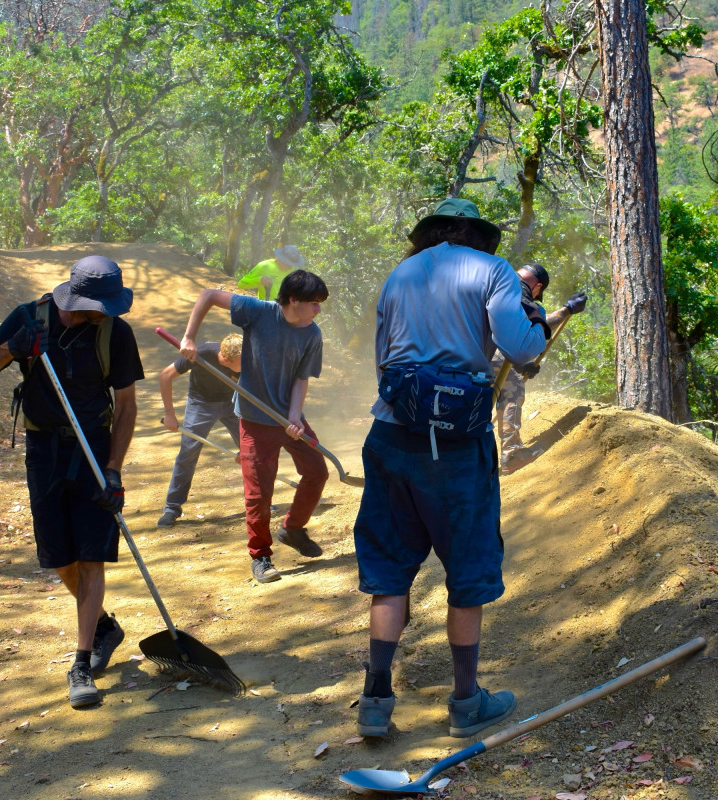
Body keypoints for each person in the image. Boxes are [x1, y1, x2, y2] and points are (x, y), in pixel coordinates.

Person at [353, 198, 549, 739]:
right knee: (466, 571)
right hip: (459, 448)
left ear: (430, 234)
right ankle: (466, 703)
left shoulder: (400, 274)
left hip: (392, 434)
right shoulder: (493, 272)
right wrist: (536, 323)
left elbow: (382, 359)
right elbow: (521, 348)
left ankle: (375, 699)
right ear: (480, 237)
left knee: (390, 571)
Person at [0, 255, 143, 709]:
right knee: (60, 559)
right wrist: (12, 349)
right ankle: (103, 625)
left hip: (94, 451)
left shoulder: (115, 333)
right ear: (76, 299)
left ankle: (81, 663)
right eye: (99, 306)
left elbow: (126, 407)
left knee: (90, 557)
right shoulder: (28, 319)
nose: (106, 314)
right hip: (44, 451)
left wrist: (115, 470)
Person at [178, 269, 330, 584]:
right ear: (293, 300)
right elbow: (207, 295)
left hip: (289, 417)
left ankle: (293, 529)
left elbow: (301, 379)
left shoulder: (312, 334)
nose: (318, 310)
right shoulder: (259, 312)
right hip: (254, 418)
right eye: (313, 303)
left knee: (317, 470)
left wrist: (294, 416)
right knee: (259, 492)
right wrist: (189, 337)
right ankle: (260, 556)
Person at [492, 263, 587, 474]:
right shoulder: (518, 288)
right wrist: (568, 309)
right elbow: (538, 322)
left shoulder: (500, 279)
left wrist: (519, 364)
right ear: (538, 286)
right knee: (512, 387)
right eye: (538, 295)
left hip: (460, 348)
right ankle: (512, 453)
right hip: (484, 350)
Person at [156, 333, 243, 527]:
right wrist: (170, 414)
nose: (247, 365)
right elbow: (165, 375)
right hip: (201, 403)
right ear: (227, 360)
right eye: (241, 363)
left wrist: (246, 447)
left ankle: (261, 500)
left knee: (253, 451)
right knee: (188, 452)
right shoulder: (201, 354)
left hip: (233, 402)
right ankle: (172, 507)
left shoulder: (247, 358)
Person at [236, 244, 305, 301]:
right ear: (280, 259)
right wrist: (259, 280)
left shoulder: (293, 271)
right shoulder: (264, 266)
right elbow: (241, 284)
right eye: (288, 264)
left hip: (285, 311)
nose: (290, 267)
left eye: (292, 265)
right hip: (266, 309)